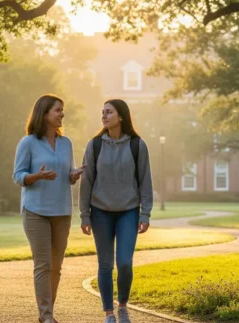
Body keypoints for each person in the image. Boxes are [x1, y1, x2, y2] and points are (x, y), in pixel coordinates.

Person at [79, 99, 154, 323]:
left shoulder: (137, 145)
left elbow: (145, 181)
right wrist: (84, 214)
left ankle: (122, 305)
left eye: (109, 112)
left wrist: (145, 213)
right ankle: (109, 313)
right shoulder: (94, 145)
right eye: (102, 112)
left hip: (128, 211)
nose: (104, 116)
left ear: (121, 116)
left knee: (124, 262)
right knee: (104, 264)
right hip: (100, 212)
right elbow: (87, 181)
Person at [13, 94, 85, 323]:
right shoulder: (28, 143)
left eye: (62, 110)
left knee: (56, 267)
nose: (62, 114)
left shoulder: (67, 143)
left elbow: (67, 175)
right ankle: (46, 317)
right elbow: (18, 176)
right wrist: (37, 176)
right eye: (58, 110)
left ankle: (47, 313)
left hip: (62, 211)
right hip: (36, 211)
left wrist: (73, 176)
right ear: (44, 114)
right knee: (43, 265)